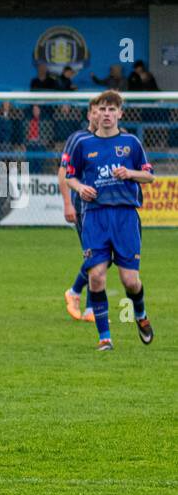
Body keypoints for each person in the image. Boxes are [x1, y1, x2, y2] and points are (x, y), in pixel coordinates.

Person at [62, 90, 155, 350]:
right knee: (96, 277)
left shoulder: (131, 143)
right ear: (95, 113)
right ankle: (105, 338)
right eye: (102, 109)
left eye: (112, 109)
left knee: (130, 281)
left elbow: (149, 176)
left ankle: (140, 314)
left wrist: (130, 173)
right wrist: (80, 188)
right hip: (95, 216)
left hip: (125, 217)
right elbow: (70, 176)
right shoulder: (83, 144)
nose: (106, 114)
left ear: (120, 114)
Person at [59, 101, 100, 322]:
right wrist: (68, 203)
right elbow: (63, 172)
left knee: (104, 255)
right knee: (95, 255)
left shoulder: (115, 139)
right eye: (96, 112)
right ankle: (88, 307)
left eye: (105, 110)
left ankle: (78, 295)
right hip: (84, 206)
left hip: (106, 206)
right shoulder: (77, 139)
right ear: (89, 115)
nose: (100, 115)